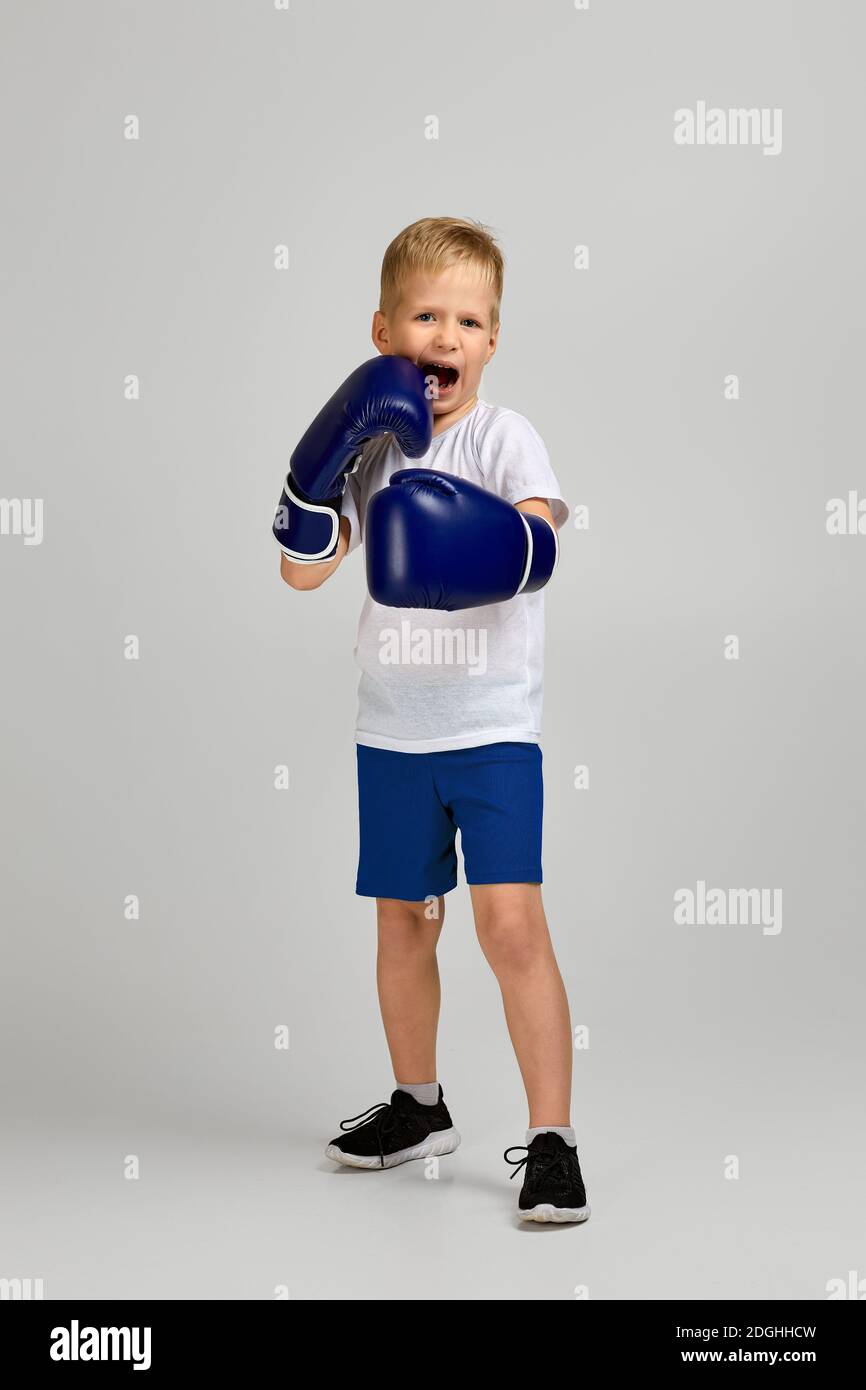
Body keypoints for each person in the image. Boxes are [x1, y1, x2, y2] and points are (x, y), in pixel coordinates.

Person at [272, 216, 589, 1224]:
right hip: (393, 730)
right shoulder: (374, 447)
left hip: (492, 727)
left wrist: (466, 540)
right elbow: (301, 571)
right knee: (404, 925)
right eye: (424, 316)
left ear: (492, 339)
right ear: (383, 334)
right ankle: (418, 1107)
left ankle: (551, 1140)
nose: (445, 335)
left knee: (510, 929)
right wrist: (314, 475)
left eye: (468, 319)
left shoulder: (503, 436)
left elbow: (540, 540)